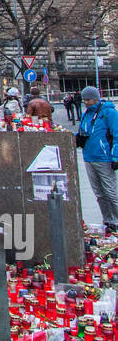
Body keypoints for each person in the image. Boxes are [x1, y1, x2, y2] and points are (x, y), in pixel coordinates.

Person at [76, 86, 118, 233]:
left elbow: (117, 134)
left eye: (89, 99)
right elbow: (83, 130)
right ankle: (109, 221)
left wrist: (115, 156)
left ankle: (117, 219)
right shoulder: (86, 113)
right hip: (89, 156)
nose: (86, 102)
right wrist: (78, 138)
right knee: (99, 193)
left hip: (104, 157)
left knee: (110, 191)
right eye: (85, 100)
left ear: (96, 98)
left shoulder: (109, 112)